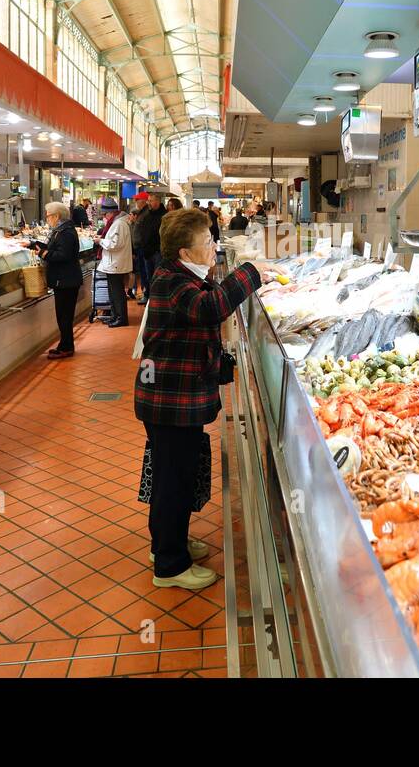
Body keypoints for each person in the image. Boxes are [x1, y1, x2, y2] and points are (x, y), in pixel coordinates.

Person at [134, 209, 282, 590]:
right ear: (185, 251)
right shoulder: (173, 282)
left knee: (175, 474)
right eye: (208, 243)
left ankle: (169, 543)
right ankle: (169, 566)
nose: (215, 248)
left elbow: (209, 301)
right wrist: (249, 272)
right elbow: (209, 309)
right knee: (172, 480)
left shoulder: (181, 275)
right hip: (169, 399)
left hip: (173, 396)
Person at [37, 201, 83, 359]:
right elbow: (55, 248)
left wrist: (44, 254)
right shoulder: (62, 230)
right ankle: (64, 344)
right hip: (64, 279)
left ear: (57, 216)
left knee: (64, 315)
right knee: (63, 315)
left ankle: (66, 347)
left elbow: (63, 255)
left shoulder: (66, 232)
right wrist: (34, 245)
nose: (47, 218)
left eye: (48, 215)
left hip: (66, 280)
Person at [95, 195, 133, 327]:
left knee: (117, 292)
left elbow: (115, 244)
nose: (104, 217)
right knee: (113, 291)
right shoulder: (116, 223)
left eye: (105, 214)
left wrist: (100, 241)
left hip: (116, 263)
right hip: (114, 263)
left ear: (111, 213)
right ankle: (116, 315)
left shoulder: (119, 224)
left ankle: (121, 318)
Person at [135, 191, 167, 304]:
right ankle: (148, 296)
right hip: (147, 251)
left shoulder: (164, 216)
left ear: (157, 201)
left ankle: (157, 298)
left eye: (151, 200)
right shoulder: (148, 214)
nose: (149, 202)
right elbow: (144, 232)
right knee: (148, 276)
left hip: (158, 251)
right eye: (148, 200)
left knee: (158, 276)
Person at [128, 194, 149, 301]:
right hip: (139, 248)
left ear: (144, 201)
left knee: (144, 272)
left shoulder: (145, 214)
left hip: (142, 248)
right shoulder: (142, 214)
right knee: (142, 271)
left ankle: (146, 293)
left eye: (138, 200)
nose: (136, 202)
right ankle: (144, 293)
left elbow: (143, 233)